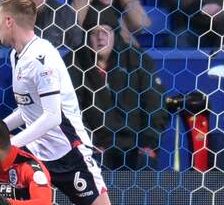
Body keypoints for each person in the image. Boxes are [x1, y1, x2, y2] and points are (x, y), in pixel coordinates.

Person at [0, 0, 177, 205]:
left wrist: (11, 142)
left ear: (9, 20)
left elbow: (53, 116)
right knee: (2, 200)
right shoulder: (17, 55)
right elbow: (28, 108)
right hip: (38, 156)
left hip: (69, 153)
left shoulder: (43, 58)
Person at [65, 24, 170, 170]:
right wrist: (88, 144)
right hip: (95, 146)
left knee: (145, 163)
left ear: (115, 35)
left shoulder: (137, 59)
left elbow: (155, 105)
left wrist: (148, 143)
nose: (100, 37)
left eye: (106, 31)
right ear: (87, 37)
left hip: (136, 145)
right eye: (94, 32)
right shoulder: (73, 63)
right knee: (91, 166)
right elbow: (70, 110)